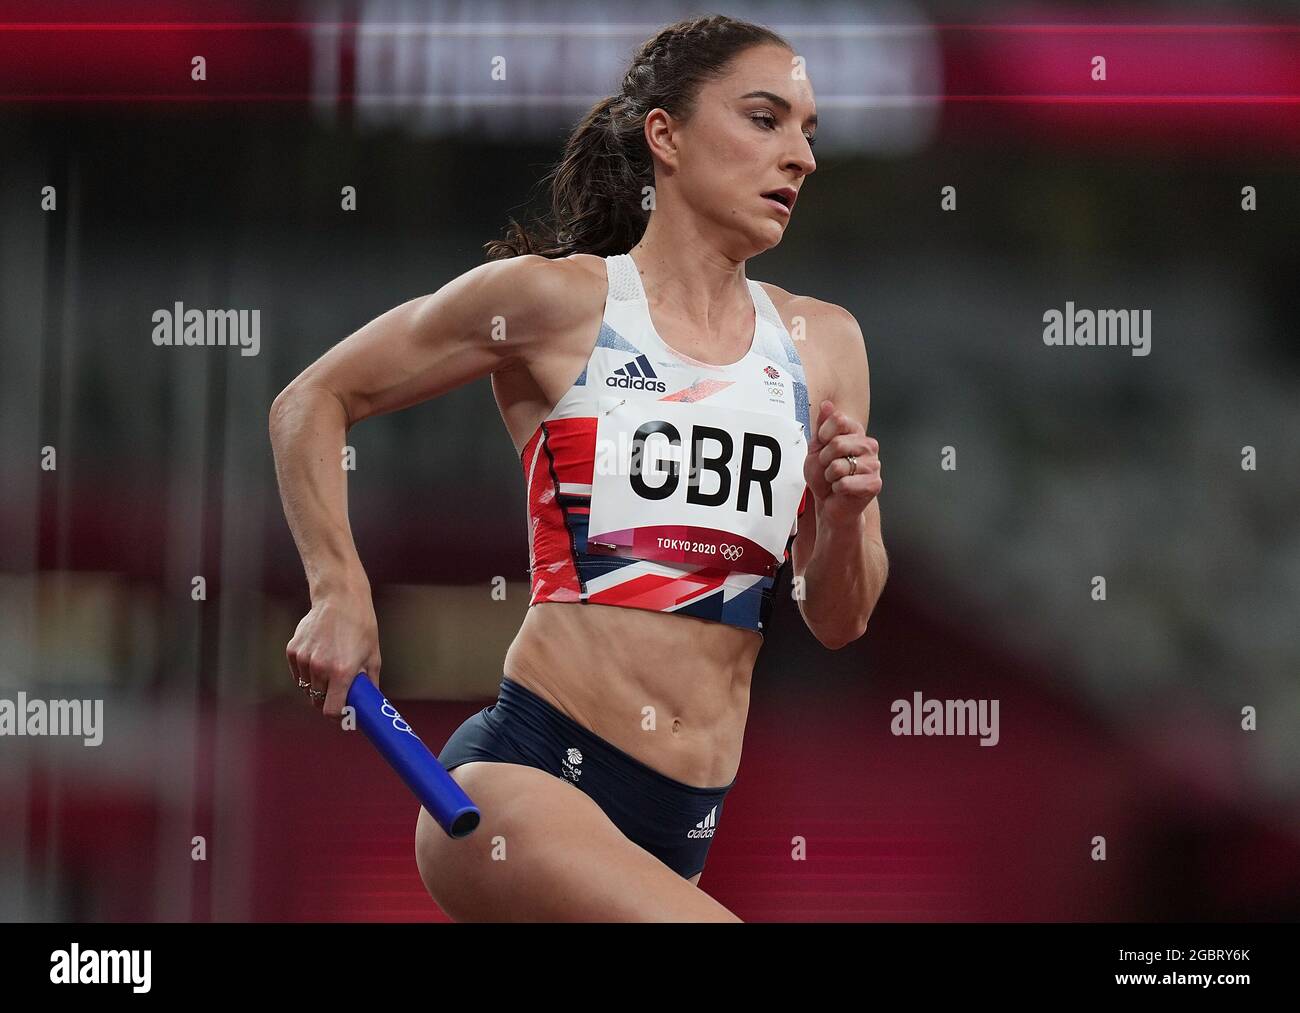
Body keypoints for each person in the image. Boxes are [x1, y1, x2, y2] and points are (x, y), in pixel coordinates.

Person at [268, 14, 887, 923]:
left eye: (808, 132)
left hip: (683, 832)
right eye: (765, 120)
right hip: (520, 788)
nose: (801, 157)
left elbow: (839, 618)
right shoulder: (554, 303)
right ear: (665, 136)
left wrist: (838, 520)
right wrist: (336, 588)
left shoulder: (821, 343)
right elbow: (310, 401)